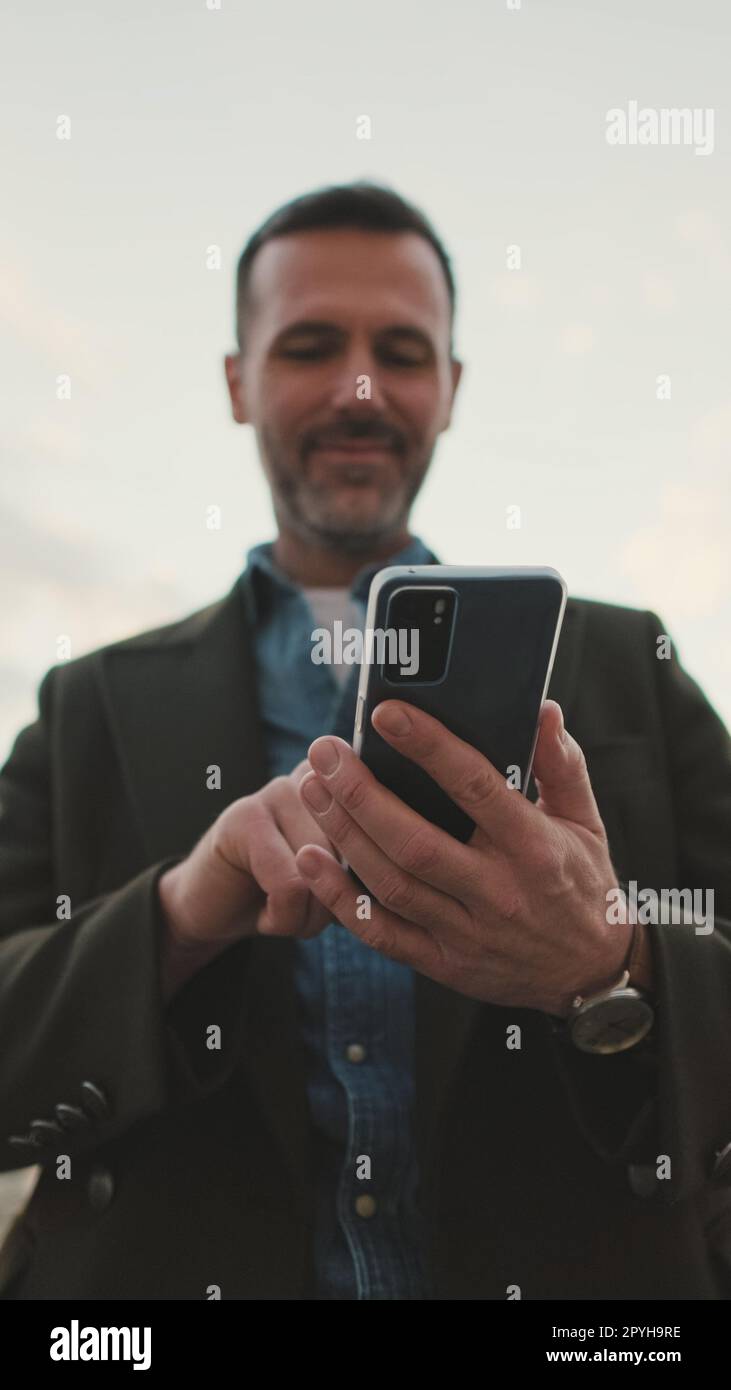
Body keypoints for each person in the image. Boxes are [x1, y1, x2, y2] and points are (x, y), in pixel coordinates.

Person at [0, 182, 729, 1301]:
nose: (359, 388)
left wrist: (608, 964)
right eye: (307, 346)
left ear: (449, 387)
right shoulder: (87, 705)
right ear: (237, 382)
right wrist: (179, 915)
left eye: (400, 349)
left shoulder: (628, 664)